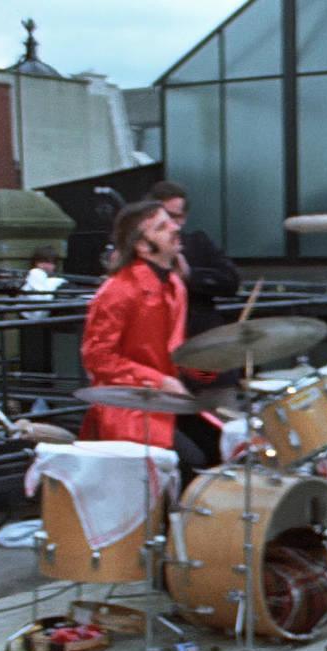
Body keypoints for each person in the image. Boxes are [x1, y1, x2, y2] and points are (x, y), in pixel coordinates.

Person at [79, 200, 210, 489]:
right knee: (192, 463)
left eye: (172, 222)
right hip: (128, 409)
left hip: (166, 402)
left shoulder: (174, 285)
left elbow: (175, 350)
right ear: (141, 245)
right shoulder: (117, 291)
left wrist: (212, 369)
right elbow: (98, 358)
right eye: (162, 227)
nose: (176, 228)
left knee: (221, 449)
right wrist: (159, 381)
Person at [147, 180, 240, 465]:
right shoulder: (142, 254)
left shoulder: (197, 242)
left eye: (175, 217)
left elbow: (230, 281)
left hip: (204, 356)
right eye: (162, 217)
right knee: (180, 451)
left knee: (223, 435)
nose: (170, 225)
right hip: (165, 366)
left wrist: (190, 275)